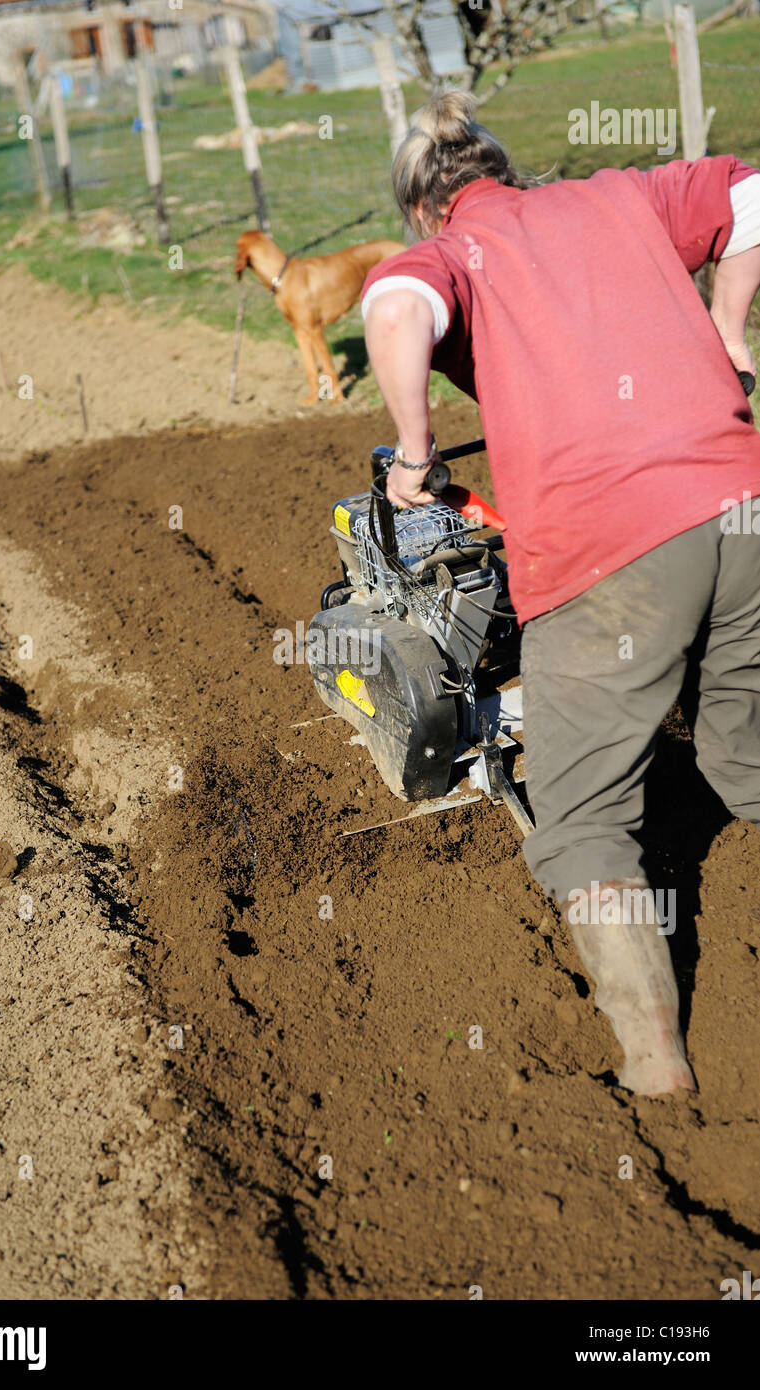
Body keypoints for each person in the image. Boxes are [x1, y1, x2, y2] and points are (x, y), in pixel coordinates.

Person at [361, 89, 760, 1097]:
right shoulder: (623, 196)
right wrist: (728, 320)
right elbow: (750, 188)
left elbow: (395, 307)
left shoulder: (450, 254)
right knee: (739, 748)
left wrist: (413, 453)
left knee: (581, 816)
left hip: (608, 548)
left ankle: (654, 1063)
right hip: (742, 506)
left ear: (423, 209)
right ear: (506, 168)